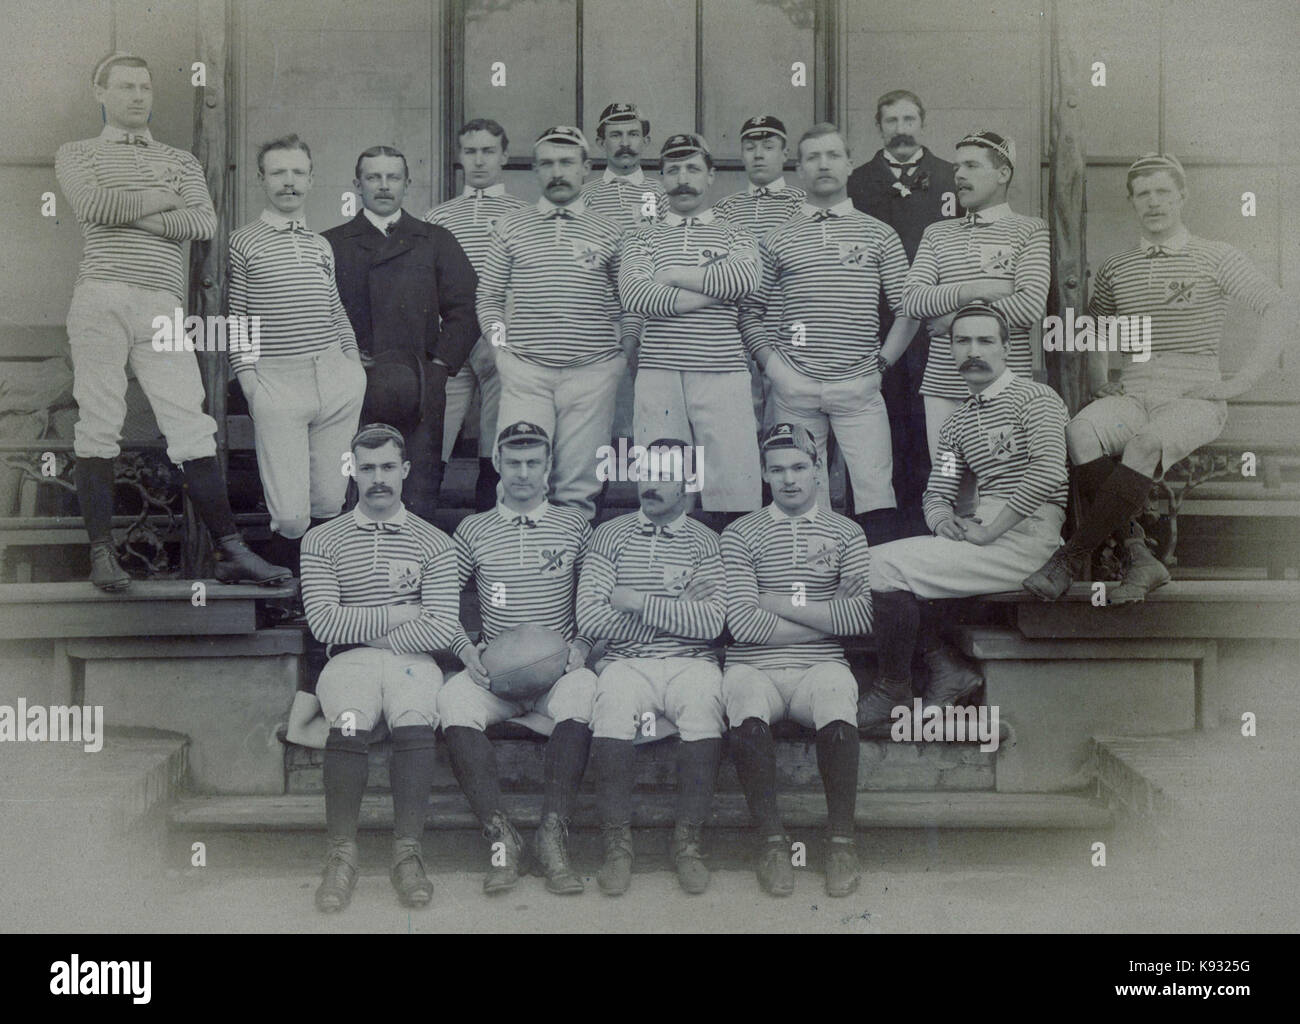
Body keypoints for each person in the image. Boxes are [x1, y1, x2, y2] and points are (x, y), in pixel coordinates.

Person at [55, 52, 287, 590]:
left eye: (145, 87)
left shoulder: (181, 160)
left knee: (190, 423)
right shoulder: (79, 152)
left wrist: (130, 206)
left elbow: (202, 222)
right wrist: (162, 202)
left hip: (161, 302)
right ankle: (101, 554)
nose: (138, 96)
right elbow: (91, 204)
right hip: (101, 296)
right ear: (100, 92)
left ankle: (231, 550)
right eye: (126, 86)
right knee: (100, 421)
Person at [1024, 153, 1291, 604]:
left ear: (1181, 197)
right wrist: (1098, 382)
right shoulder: (1117, 266)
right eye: (1142, 193)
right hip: (1133, 387)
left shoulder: (1215, 256)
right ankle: (1138, 554)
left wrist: (1238, 382)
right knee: (1078, 431)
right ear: (1132, 201)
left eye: (1163, 191)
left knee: (1145, 443)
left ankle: (1071, 557)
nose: (1153, 202)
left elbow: (1280, 306)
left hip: (1192, 392)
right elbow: (1095, 331)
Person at [859, 303, 1068, 727]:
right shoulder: (958, 423)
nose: (973, 350)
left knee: (881, 566)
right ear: (950, 349)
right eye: (962, 341)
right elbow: (938, 492)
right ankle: (943, 668)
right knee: (876, 564)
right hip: (986, 534)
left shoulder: (1035, 398)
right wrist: (942, 522)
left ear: (1007, 348)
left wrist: (991, 530)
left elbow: (1048, 471)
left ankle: (895, 687)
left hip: (1031, 538)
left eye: (985, 341)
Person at [299, 423, 464, 913]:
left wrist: (365, 623)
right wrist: (401, 614)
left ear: (405, 470)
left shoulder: (435, 542)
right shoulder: (321, 540)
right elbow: (326, 624)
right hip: (348, 661)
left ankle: (407, 853)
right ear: (352, 471)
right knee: (349, 720)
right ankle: (342, 854)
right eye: (367, 468)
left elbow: (441, 631)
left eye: (388, 467)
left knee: (414, 716)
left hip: (414, 663)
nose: (378, 479)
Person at [436, 422, 597, 895]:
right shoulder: (473, 529)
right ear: (498, 467)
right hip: (498, 675)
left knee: (586, 691)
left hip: (557, 672)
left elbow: (594, 597)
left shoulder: (574, 526)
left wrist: (583, 646)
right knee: (451, 700)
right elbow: (442, 601)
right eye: (513, 463)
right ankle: (500, 834)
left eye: (533, 463)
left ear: (548, 468)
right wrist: (467, 650)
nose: (523, 473)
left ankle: (552, 834)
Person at [740, 123, 920, 544]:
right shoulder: (777, 237)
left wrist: (881, 366)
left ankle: (872, 596)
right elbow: (750, 311)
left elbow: (908, 309)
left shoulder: (878, 234)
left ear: (849, 164)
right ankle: (809, 590)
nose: (823, 164)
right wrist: (774, 368)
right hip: (794, 386)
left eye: (833, 155)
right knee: (799, 497)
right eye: (813, 157)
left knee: (876, 495)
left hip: (859, 386)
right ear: (799, 168)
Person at [720, 423, 872, 898]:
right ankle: (771, 842)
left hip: (817, 666)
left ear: (818, 470)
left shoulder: (847, 532)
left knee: (835, 692)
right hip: (753, 666)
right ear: (765, 474)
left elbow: (862, 617)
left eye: (800, 467)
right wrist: (828, 614)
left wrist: (775, 602)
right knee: (743, 696)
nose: (789, 479)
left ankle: (842, 842)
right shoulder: (739, 533)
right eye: (778, 469)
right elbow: (742, 626)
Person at [577, 440, 728, 895]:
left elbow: (711, 623)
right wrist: (674, 611)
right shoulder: (609, 533)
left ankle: (687, 843)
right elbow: (590, 617)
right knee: (613, 702)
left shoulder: (706, 540)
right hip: (626, 663)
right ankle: (618, 845)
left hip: (691, 662)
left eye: (664, 476)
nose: (650, 485)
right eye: (645, 474)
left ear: (689, 484)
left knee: (704, 703)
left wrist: (638, 602)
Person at [476, 126, 633, 521]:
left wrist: (622, 355)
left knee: (578, 485)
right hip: (526, 372)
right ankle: (522, 573)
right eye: (547, 164)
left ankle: (573, 576)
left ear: (586, 168)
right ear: (534, 170)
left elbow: (631, 301)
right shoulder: (510, 227)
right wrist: (500, 354)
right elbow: (489, 297)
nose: (557, 172)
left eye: (566, 163)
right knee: (519, 477)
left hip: (593, 373)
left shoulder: (612, 230)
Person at [228, 134, 366, 577]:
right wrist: (249, 381)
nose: (289, 182)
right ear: (261, 179)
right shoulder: (242, 242)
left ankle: (315, 600)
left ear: (311, 178)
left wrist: (351, 366)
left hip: (333, 378)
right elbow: (237, 317)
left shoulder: (319, 245)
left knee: (329, 498)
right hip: (276, 381)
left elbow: (336, 308)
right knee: (289, 514)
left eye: (298, 173)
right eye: (278, 172)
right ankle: (284, 592)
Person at [323, 146, 479, 521]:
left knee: (415, 488)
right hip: (350, 385)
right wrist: (340, 358)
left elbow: (468, 307)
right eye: (373, 177)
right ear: (357, 184)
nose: (383, 186)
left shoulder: (435, 240)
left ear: (407, 184)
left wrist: (439, 365)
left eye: (393, 177)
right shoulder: (329, 244)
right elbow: (315, 314)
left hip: (419, 388)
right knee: (351, 486)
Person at [618, 132, 764, 527]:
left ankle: (731, 572)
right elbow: (636, 295)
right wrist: (715, 293)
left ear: (711, 175)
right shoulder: (641, 237)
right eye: (673, 170)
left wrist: (672, 274)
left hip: (723, 369)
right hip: (659, 372)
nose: (683, 178)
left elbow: (746, 278)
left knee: (732, 482)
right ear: (661, 177)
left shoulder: (735, 233)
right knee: (662, 480)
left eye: (693, 169)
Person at [902, 130, 1049, 515]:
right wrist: (978, 288)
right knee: (950, 485)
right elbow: (913, 298)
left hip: (1005, 389)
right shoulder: (937, 233)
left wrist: (951, 318)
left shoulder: (1030, 230)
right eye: (957, 167)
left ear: (1002, 174)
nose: (959, 176)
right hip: (943, 389)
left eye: (972, 166)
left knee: (1002, 487)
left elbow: (1030, 304)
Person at [847, 90, 962, 535]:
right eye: (892, 120)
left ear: (923, 121)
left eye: (909, 118)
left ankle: (934, 523)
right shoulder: (857, 182)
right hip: (876, 324)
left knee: (931, 421)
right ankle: (882, 533)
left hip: (935, 322)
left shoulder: (952, 178)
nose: (901, 128)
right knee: (880, 423)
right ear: (878, 125)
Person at [424, 119, 527, 511]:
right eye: (471, 151)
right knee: (438, 420)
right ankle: (422, 514)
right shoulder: (438, 216)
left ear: (503, 155)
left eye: (488, 151)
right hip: (451, 336)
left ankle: (491, 514)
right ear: (459, 156)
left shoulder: (523, 213)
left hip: (501, 333)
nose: (479, 160)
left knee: (499, 422)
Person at [579, 103, 668, 228]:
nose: (625, 143)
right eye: (616, 135)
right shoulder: (584, 195)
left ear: (645, 141)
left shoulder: (661, 193)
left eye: (633, 134)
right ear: (601, 143)